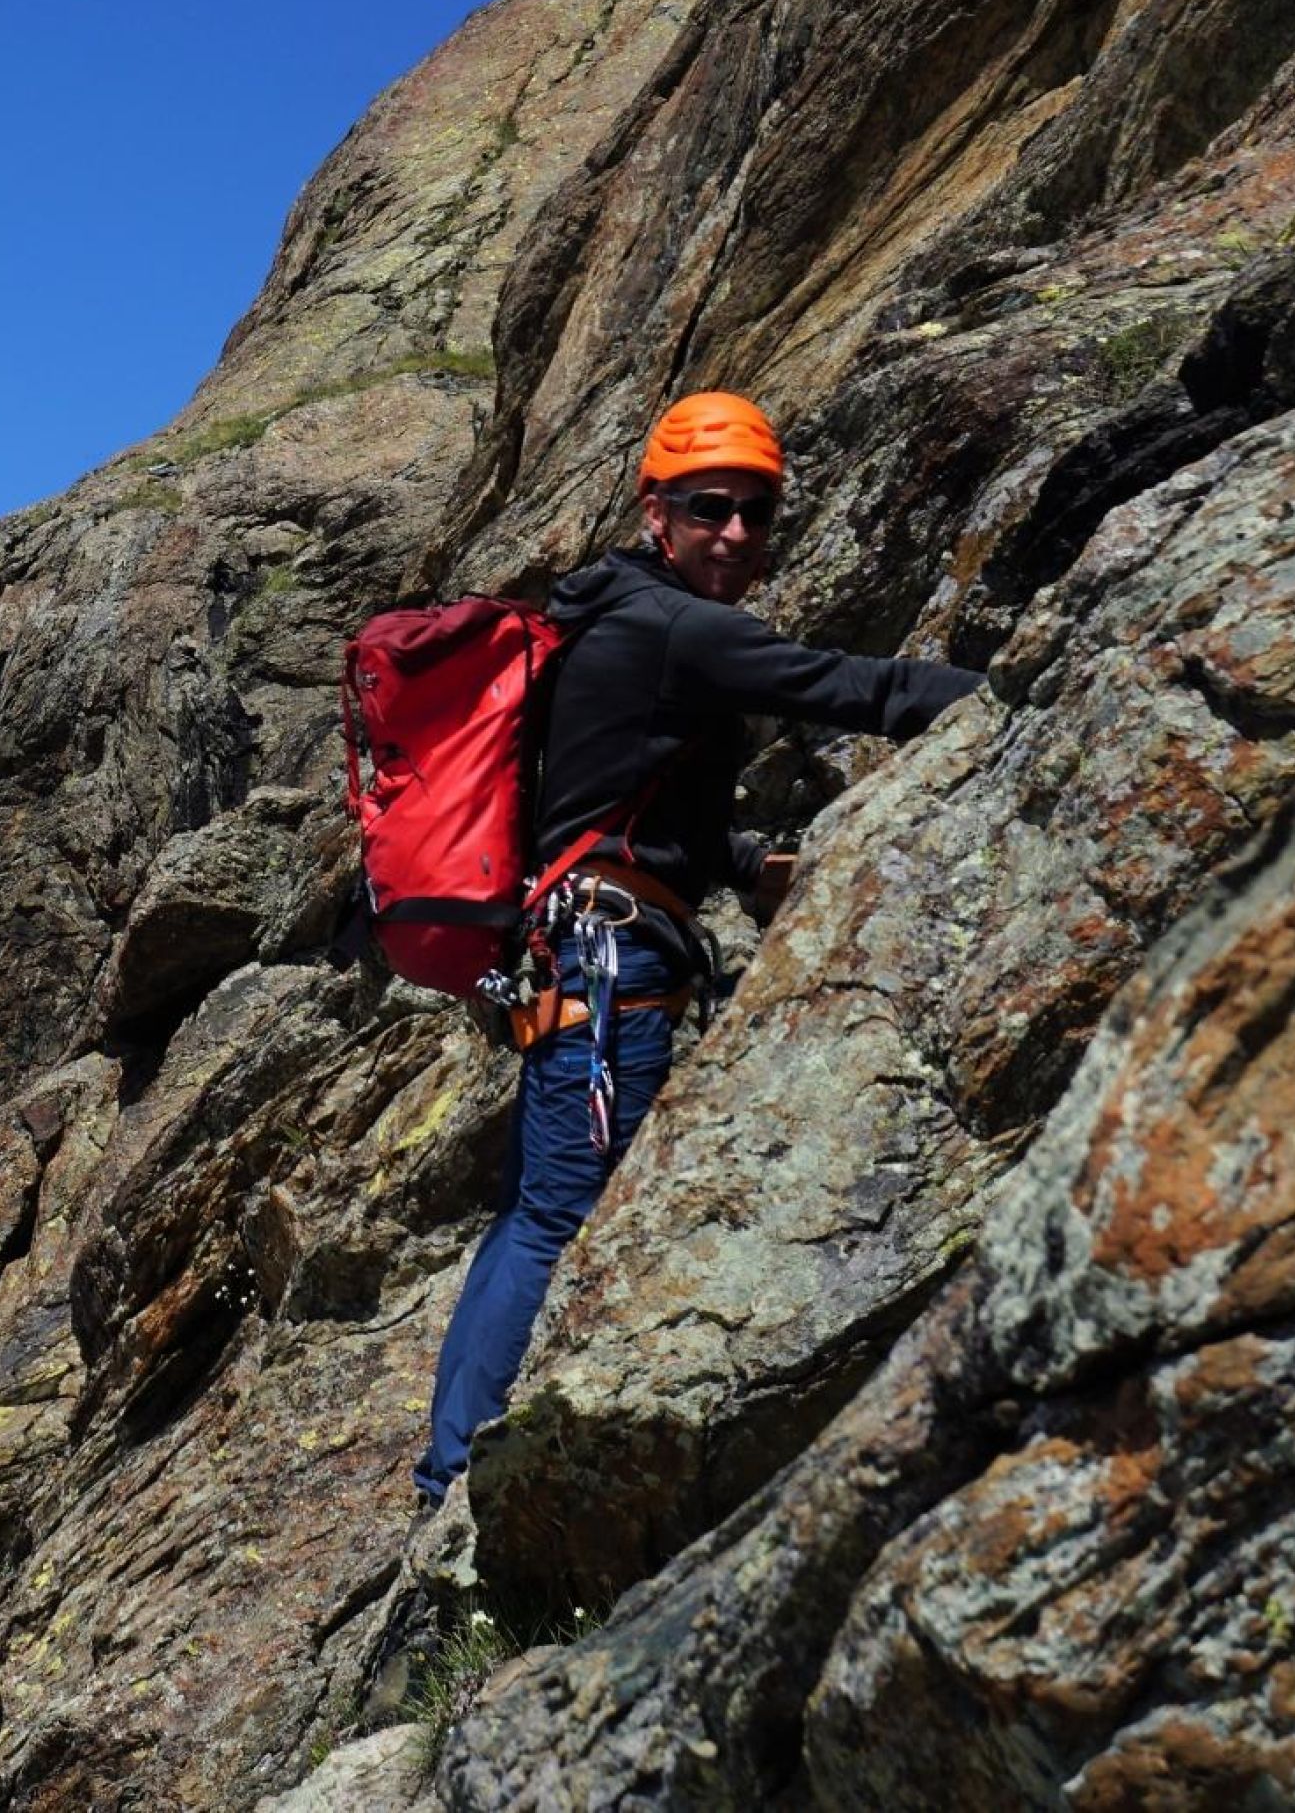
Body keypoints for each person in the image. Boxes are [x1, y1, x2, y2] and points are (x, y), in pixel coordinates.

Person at [410, 390, 984, 1505]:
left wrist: (734, 862)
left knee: (532, 1211)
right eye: (710, 508)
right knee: (556, 1219)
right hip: (612, 967)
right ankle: (454, 1488)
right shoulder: (681, 627)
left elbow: (619, 784)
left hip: (577, 953)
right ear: (657, 513)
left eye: (756, 514)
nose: (735, 534)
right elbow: (855, 689)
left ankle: (449, 1467)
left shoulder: (608, 618)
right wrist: (1034, 682)